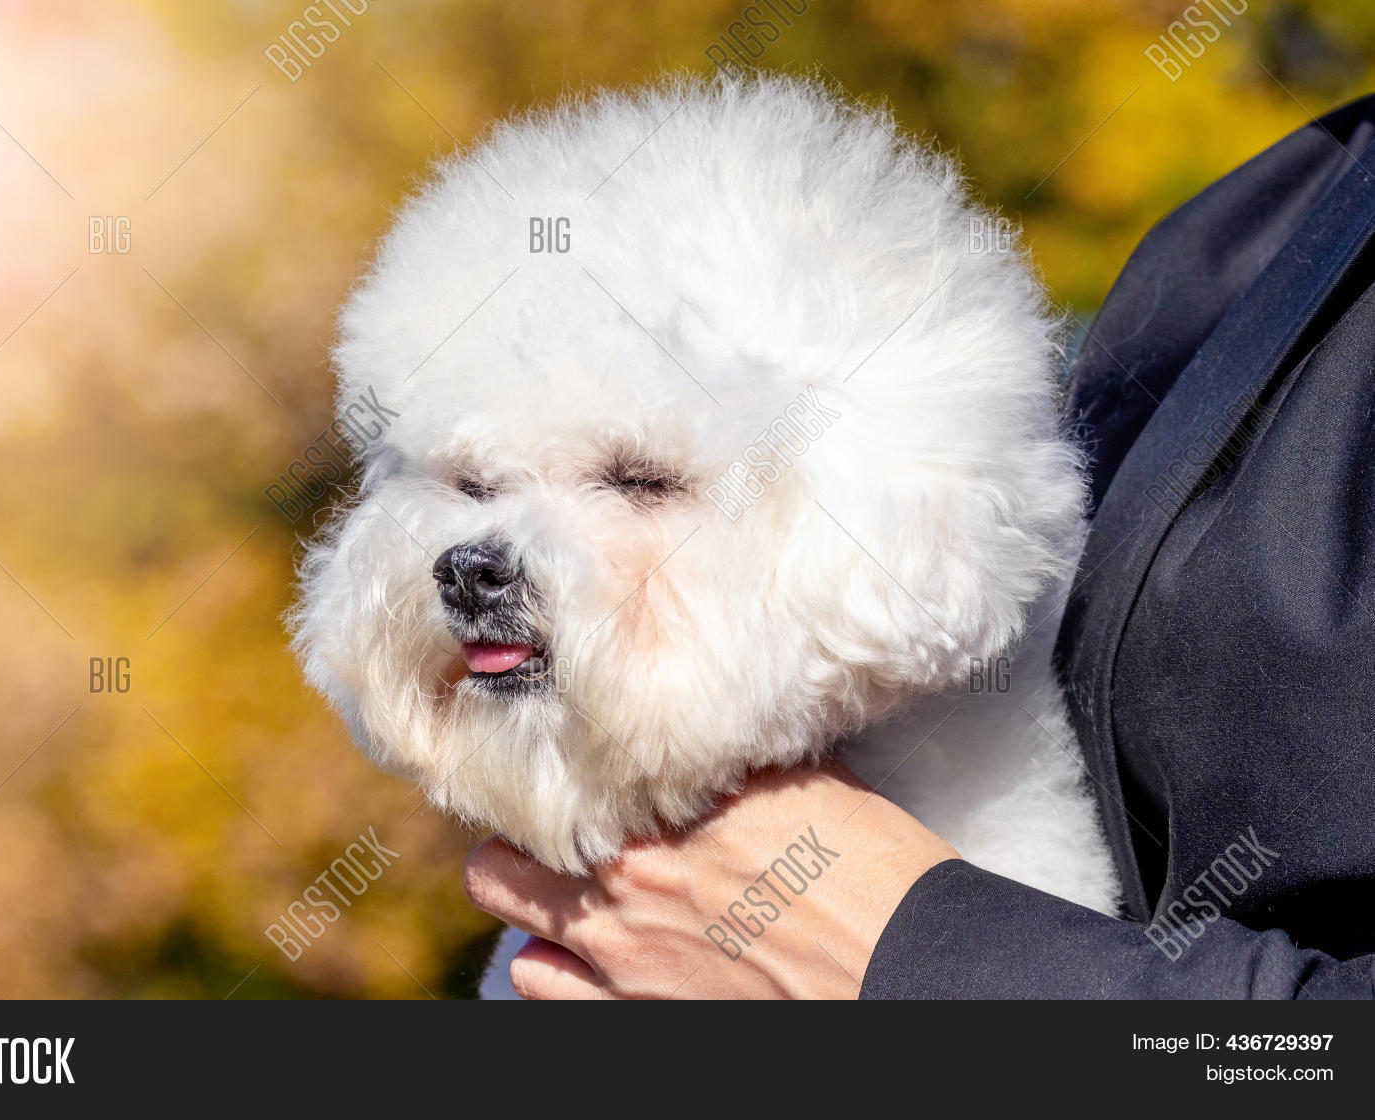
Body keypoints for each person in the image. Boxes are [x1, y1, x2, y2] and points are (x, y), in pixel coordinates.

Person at [462, 95, 1375, 999]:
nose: (477, 558)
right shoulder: (1247, 229)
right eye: (473, 488)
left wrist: (903, 959)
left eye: (640, 483)